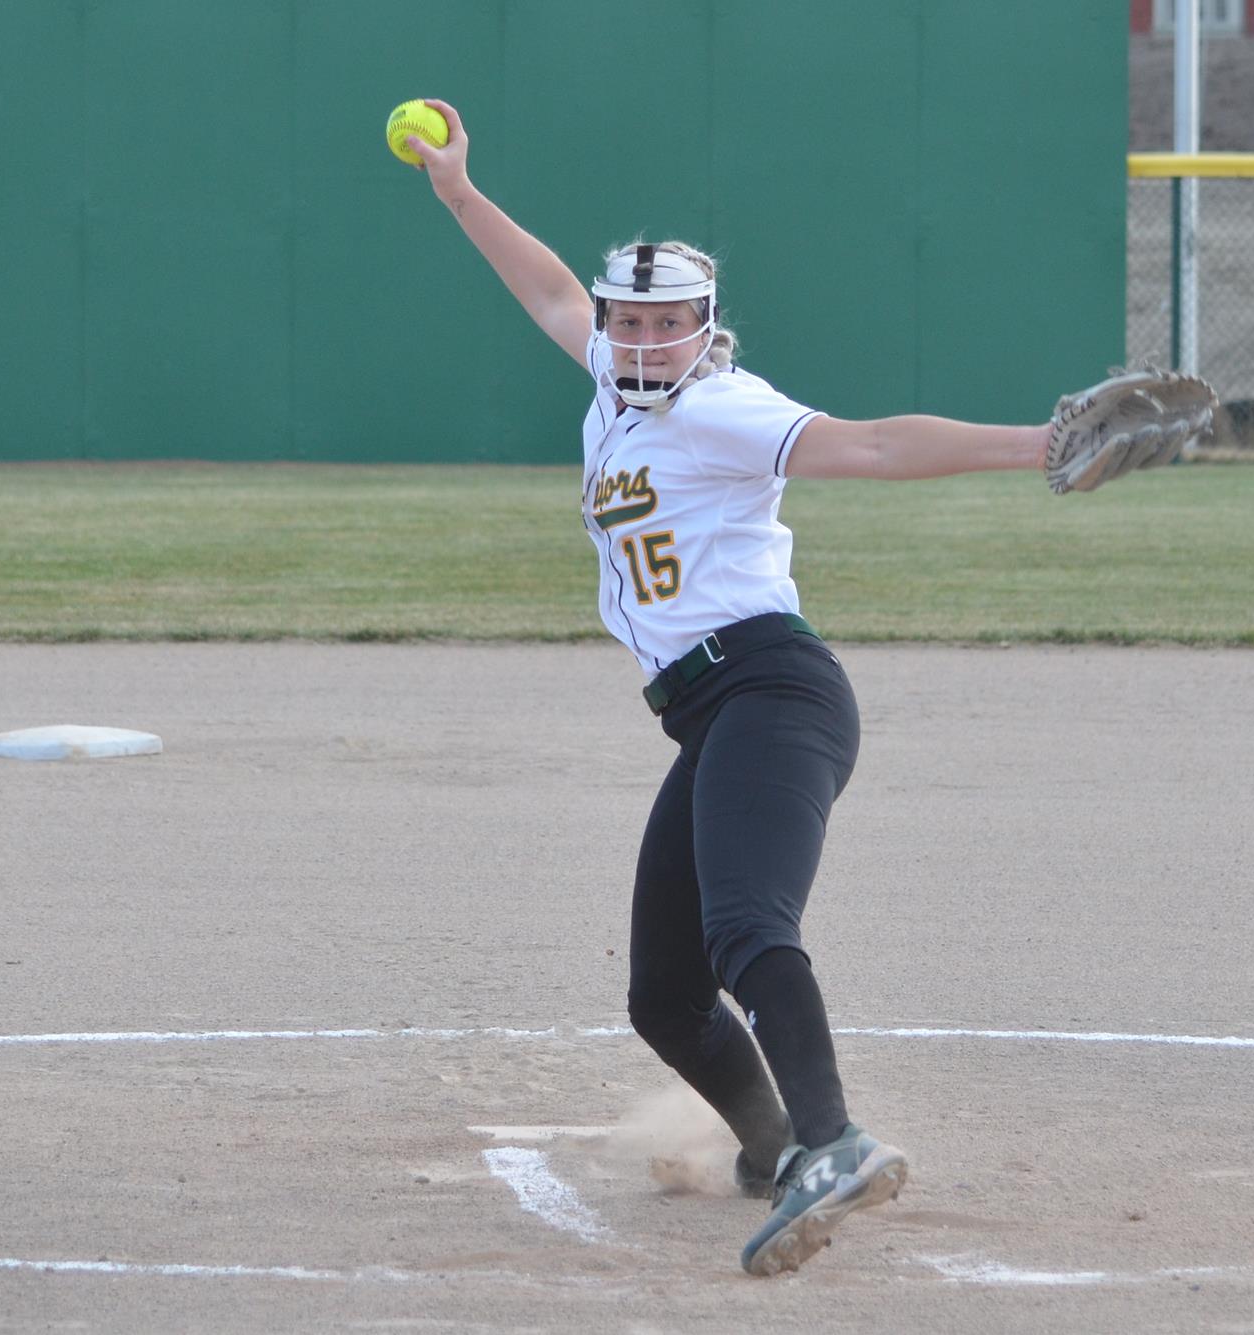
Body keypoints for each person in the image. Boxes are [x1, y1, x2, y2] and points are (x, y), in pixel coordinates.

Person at [404, 99, 1048, 1277]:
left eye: (670, 322)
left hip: (771, 691)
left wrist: (1038, 445)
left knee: (748, 926)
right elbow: (548, 291)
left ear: (709, 330)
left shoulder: (719, 407)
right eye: (629, 320)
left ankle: (833, 1141)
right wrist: (456, 192)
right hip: (706, 717)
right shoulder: (611, 378)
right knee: (663, 995)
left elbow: (869, 446)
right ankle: (766, 1150)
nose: (644, 338)